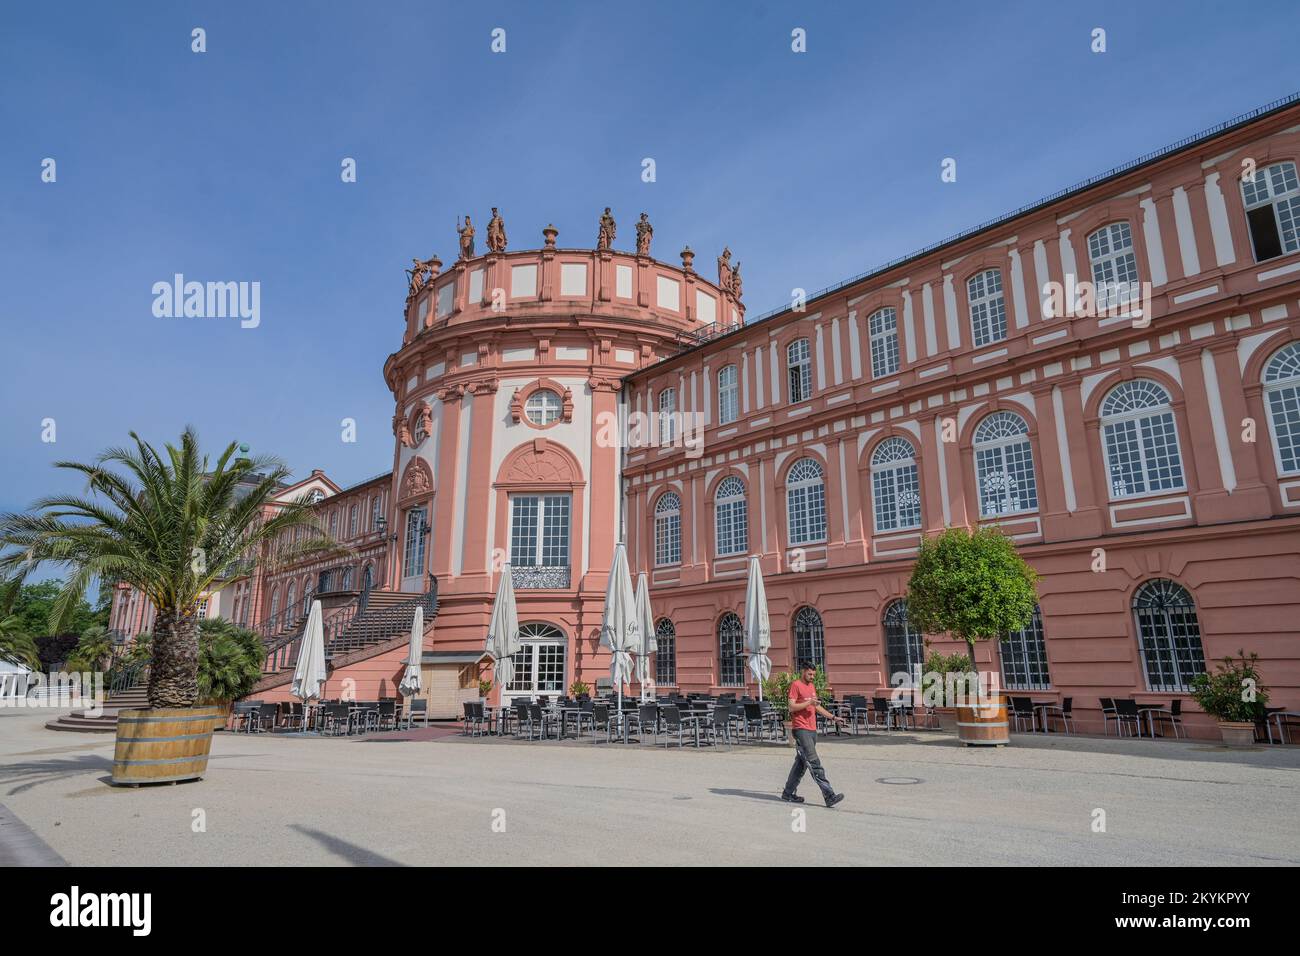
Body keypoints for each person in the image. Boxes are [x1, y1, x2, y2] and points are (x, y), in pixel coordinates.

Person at [782, 663, 845, 807]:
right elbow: (791, 707)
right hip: (801, 729)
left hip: (811, 729)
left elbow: (816, 706)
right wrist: (808, 702)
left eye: (814, 675)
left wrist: (833, 718)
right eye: (810, 674)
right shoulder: (796, 685)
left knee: (801, 764)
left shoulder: (811, 687)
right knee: (814, 762)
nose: (812, 677)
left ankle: (788, 793)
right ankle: (829, 795)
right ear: (803, 672)